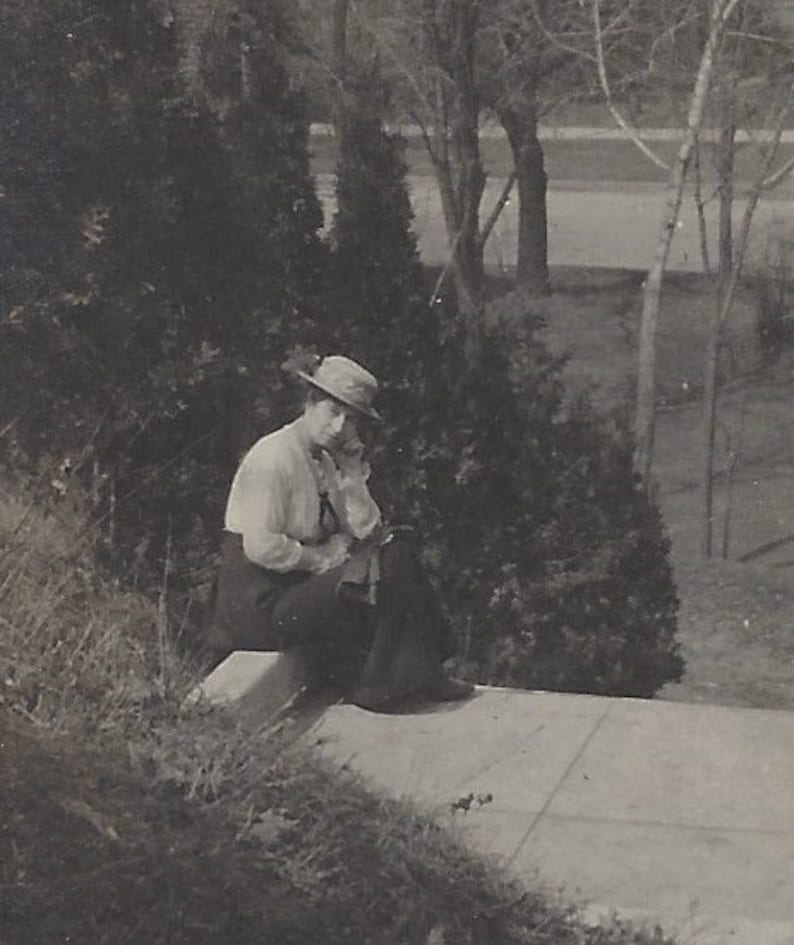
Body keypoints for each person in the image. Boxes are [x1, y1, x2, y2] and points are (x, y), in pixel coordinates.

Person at [208, 354, 474, 712]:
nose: (338, 427)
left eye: (350, 420)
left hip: (292, 590)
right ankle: (383, 686)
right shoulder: (273, 457)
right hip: (258, 606)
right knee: (392, 560)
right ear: (310, 403)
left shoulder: (327, 460)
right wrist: (319, 559)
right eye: (333, 411)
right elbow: (260, 546)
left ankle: (421, 673)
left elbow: (369, 532)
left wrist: (351, 474)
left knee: (398, 550)